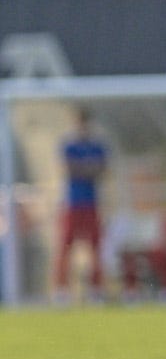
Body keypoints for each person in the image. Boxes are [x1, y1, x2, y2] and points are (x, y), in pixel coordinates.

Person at [53, 107, 110, 300]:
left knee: (96, 247)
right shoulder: (69, 145)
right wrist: (88, 168)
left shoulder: (98, 146)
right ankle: (62, 290)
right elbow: (71, 169)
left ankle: (96, 290)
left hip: (91, 204)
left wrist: (84, 168)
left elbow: (101, 170)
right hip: (72, 204)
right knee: (65, 248)